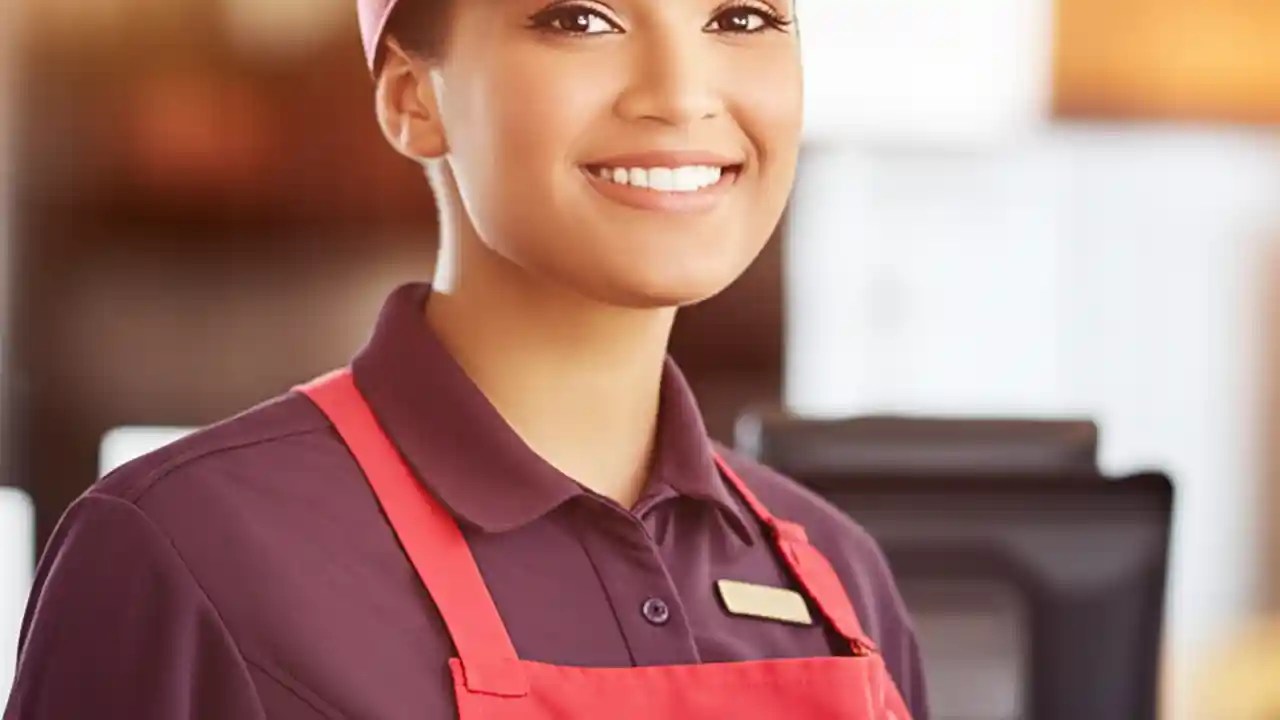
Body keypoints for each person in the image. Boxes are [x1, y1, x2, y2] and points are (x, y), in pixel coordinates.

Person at [4, 0, 929, 717]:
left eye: (741, 18)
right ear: (413, 98)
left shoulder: (838, 581)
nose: (682, 92)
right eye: (580, 18)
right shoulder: (186, 553)